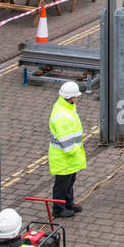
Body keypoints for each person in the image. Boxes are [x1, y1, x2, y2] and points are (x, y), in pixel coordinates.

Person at [48, 81, 87, 218]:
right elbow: (65, 138)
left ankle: (68, 203)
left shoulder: (68, 107)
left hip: (69, 156)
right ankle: (58, 209)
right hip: (64, 156)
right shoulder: (62, 114)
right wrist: (74, 151)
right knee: (62, 185)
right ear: (71, 98)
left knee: (69, 182)